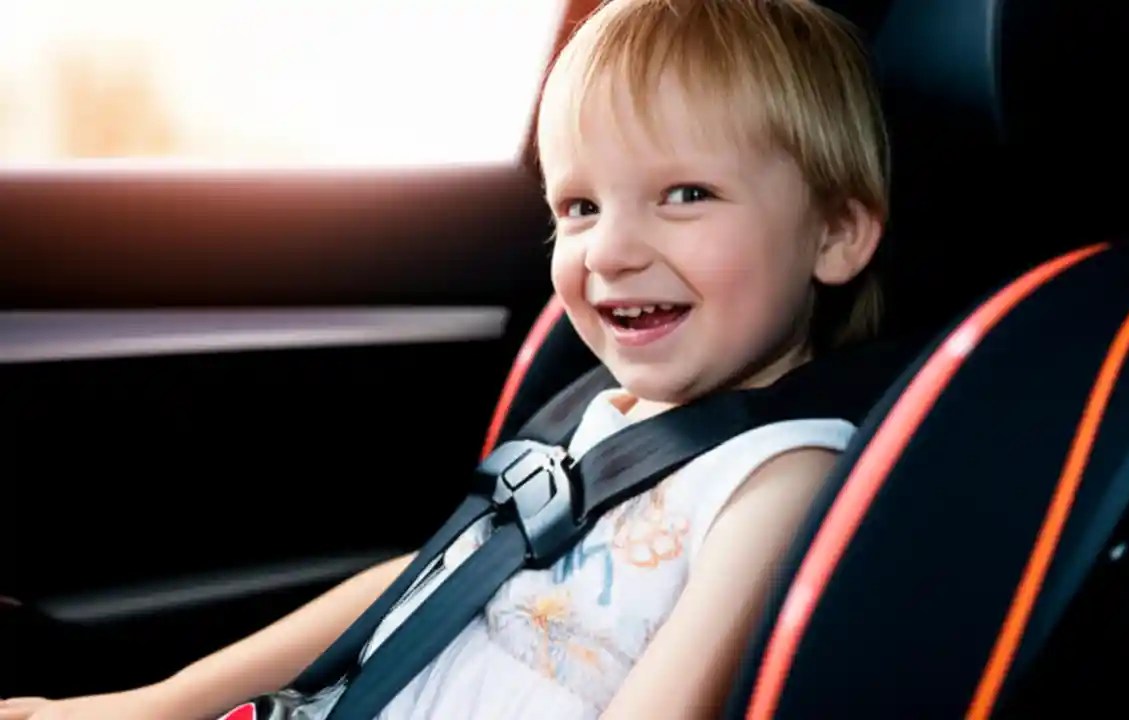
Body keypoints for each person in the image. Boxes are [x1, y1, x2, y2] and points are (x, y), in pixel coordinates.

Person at [0, 0, 889, 718]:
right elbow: (425, 583)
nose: (609, 251)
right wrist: (155, 705)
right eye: (579, 205)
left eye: (686, 194)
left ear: (838, 234)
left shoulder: (778, 481)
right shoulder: (602, 413)